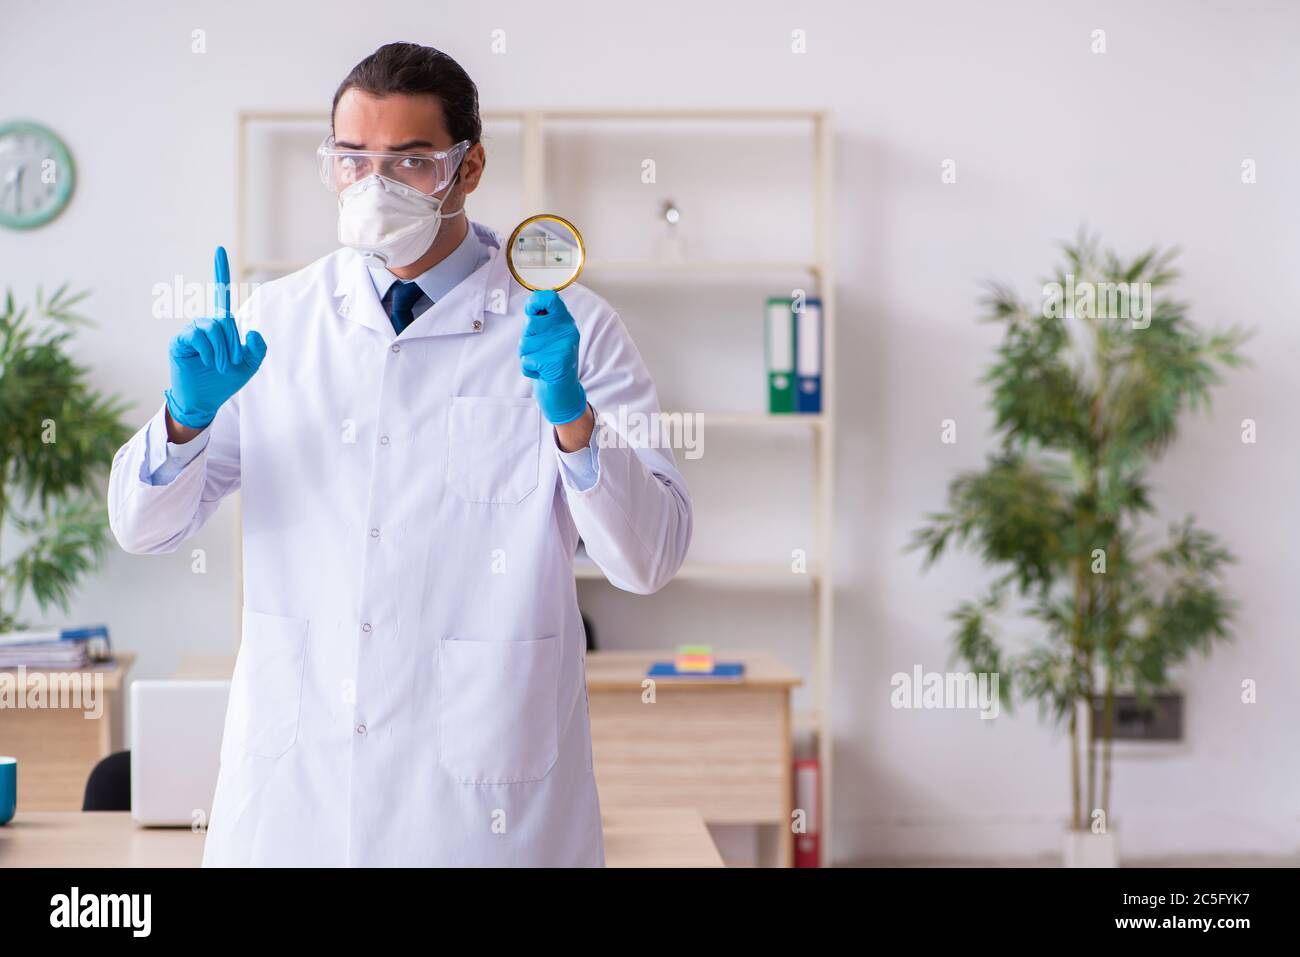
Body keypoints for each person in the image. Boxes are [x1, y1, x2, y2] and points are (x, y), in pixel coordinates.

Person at [107, 42, 693, 867]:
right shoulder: (278, 320)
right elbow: (141, 528)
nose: (374, 187)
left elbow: (650, 556)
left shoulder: (572, 326)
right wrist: (184, 419)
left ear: (470, 165)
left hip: (484, 808)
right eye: (353, 161)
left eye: (411, 162)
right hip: (294, 802)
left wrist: (572, 419)